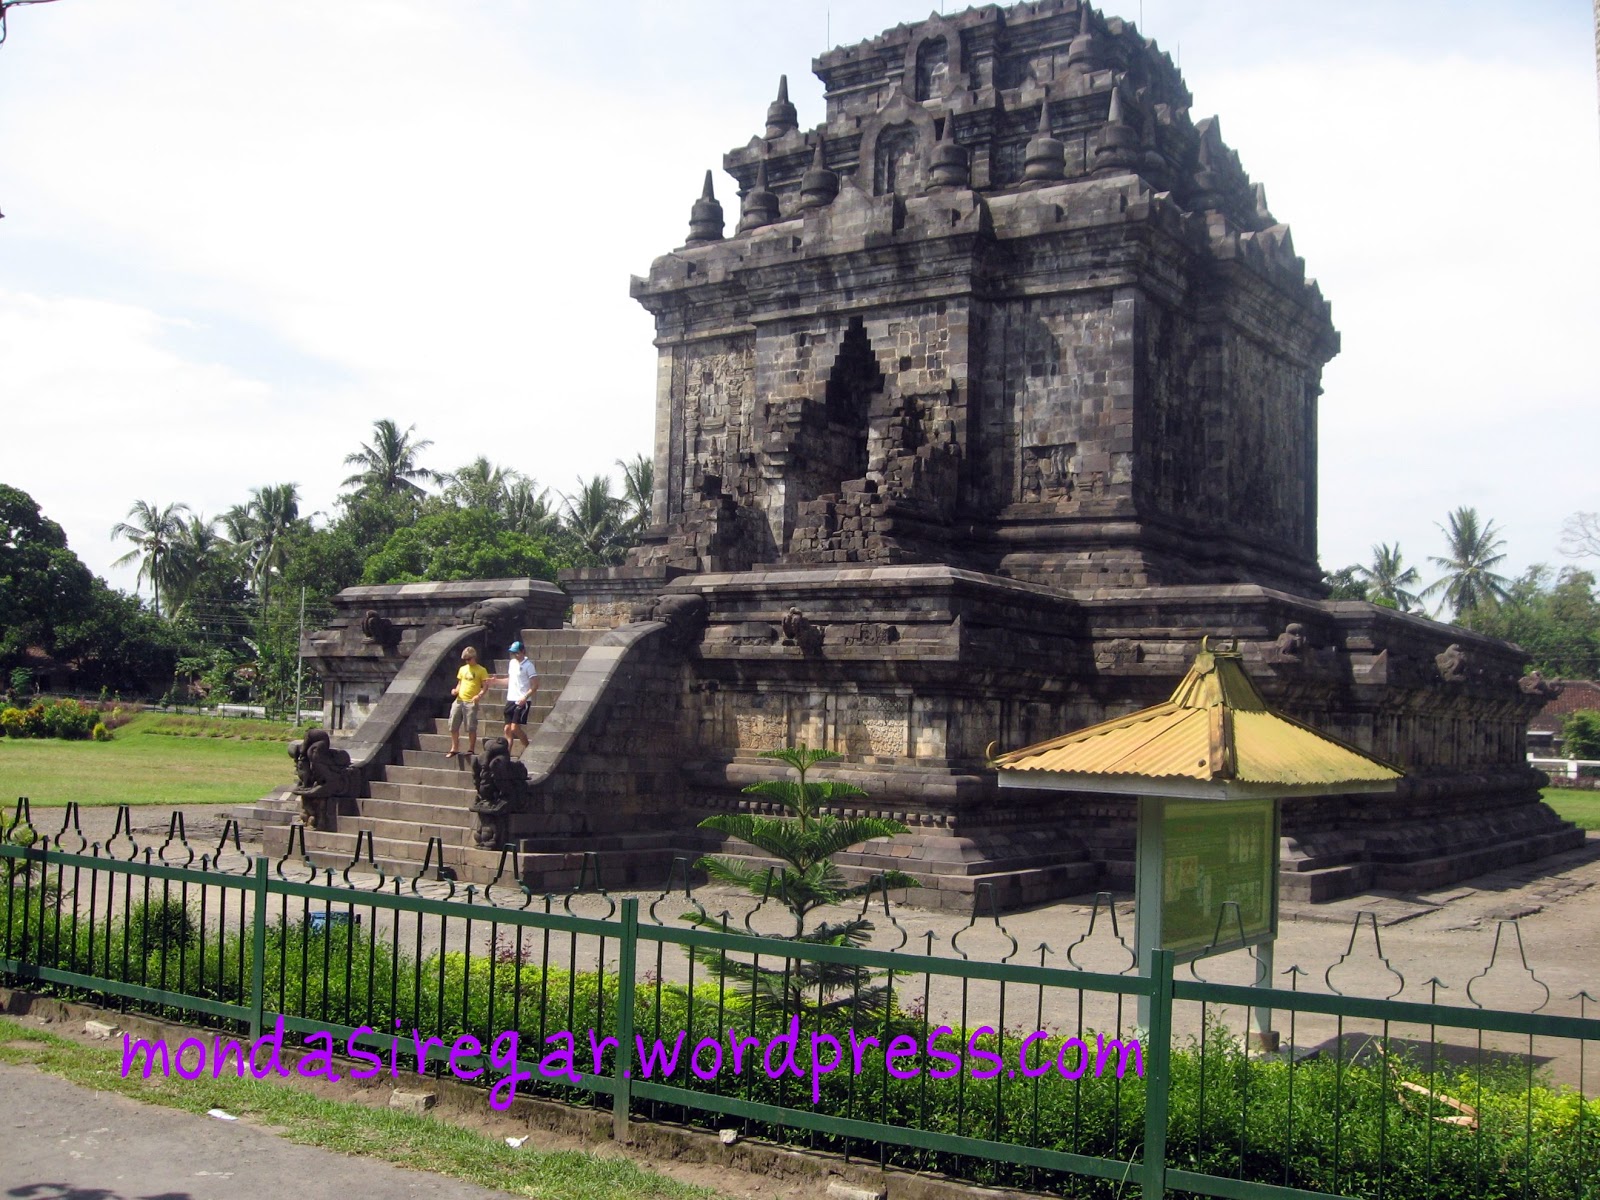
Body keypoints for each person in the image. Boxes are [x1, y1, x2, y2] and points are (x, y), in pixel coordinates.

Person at [490, 641, 539, 760]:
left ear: (523, 652)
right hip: (511, 699)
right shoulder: (512, 663)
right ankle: (506, 755)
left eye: (517, 653)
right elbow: (510, 680)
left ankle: (528, 748)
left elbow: (535, 685)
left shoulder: (529, 666)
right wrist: (496, 681)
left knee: (514, 728)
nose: (515, 655)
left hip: (522, 700)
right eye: (513, 653)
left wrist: (525, 697)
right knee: (507, 729)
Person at [446, 646, 489, 760]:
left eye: (469, 659)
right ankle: (454, 748)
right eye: (465, 660)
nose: (467, 661)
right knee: (453, 724)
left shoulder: (481, 670)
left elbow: (485, 686)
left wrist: (479, 695)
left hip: (471, 701)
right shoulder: (462, 669)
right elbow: (460, 683)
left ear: (474, 657)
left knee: (470, 726)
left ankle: (471, 748)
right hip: (459, 699)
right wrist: (456, 690)